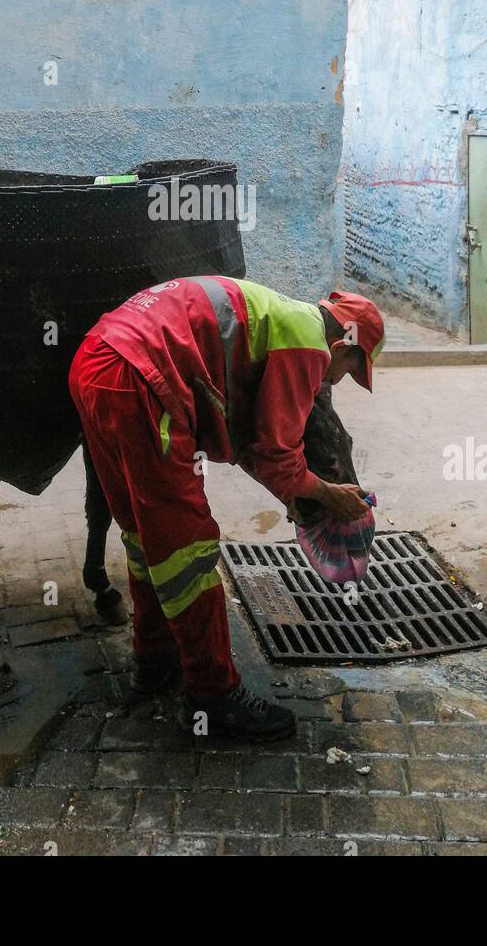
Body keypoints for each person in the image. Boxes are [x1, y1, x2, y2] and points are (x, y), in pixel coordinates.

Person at [69, 275, 385, 739]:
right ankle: (213, 695)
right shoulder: (308, 346)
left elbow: (251, 444)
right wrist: (324, 494)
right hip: (141, 379)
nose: (337, 381)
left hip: (97, 362)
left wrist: (296, 493)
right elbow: (278, 455)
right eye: (349, 370)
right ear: (342, 346)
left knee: (144, 533)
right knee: (188, 549)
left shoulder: (278, 316)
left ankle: (153, 660)